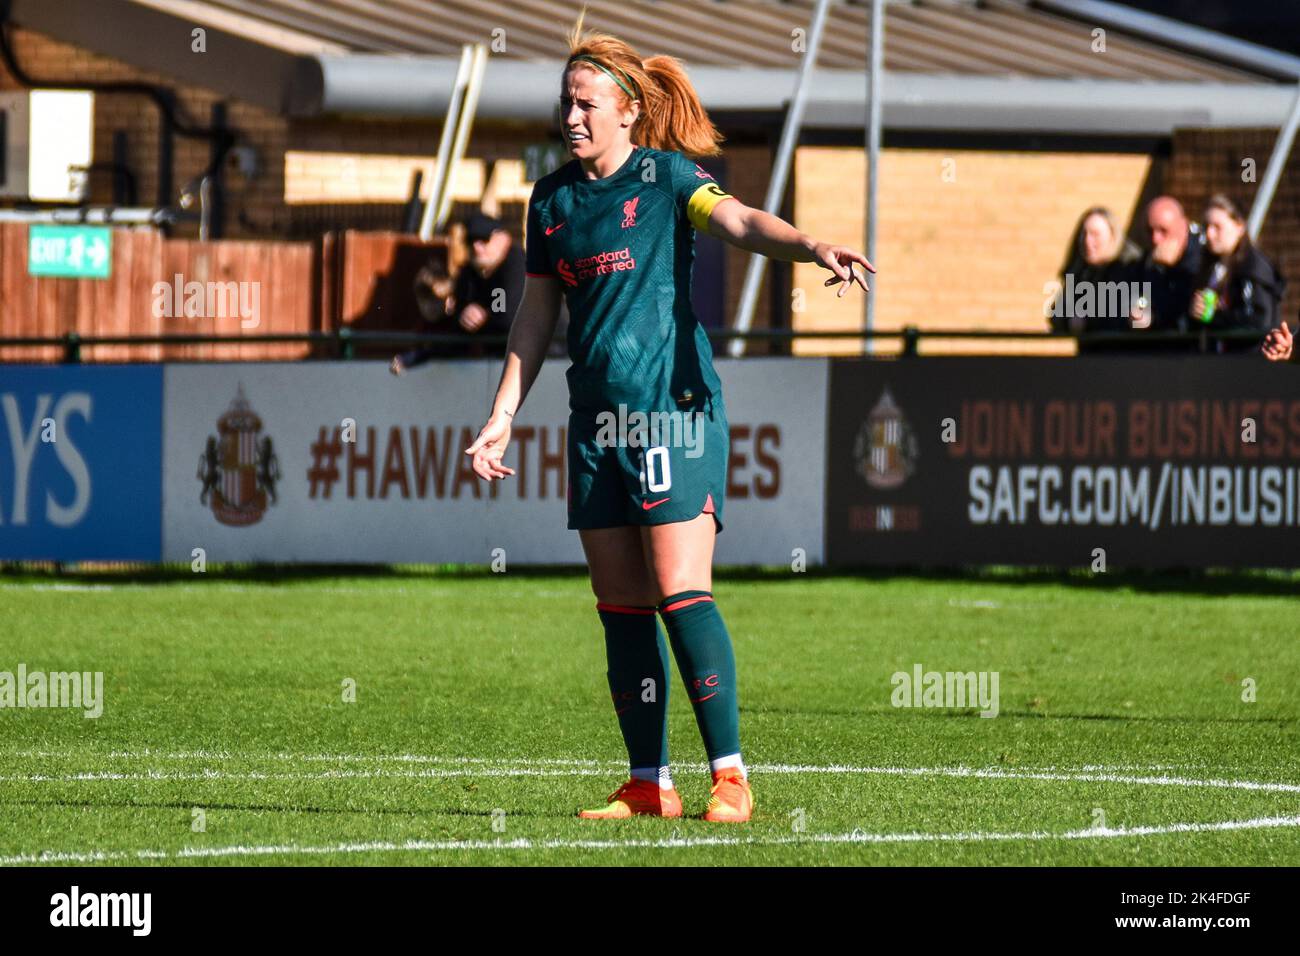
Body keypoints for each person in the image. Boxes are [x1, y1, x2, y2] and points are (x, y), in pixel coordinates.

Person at [463, 14, 871, 823]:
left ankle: (731, 777)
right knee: (619, 607)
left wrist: (811, 244)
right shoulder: (549, 201)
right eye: (565, 103)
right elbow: (536, 317)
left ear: (626, 110)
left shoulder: (667, 178)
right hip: (596, 423)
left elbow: (743, 222)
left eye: (586, 104)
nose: (571, 117)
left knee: (681, 591)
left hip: (672, 414)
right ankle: (649, 783)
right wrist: (502, 414)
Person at [390, 212, 525, 372]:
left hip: (537, 360)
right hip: (496, 364)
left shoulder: (516, 265)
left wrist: (483, 319)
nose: (476, 247)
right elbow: (458, 327)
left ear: (503, 239)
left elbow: (507, 319)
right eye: (471, 241)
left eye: (484, 240)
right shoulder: (470, 273)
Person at [1189, 194, 1286, 354]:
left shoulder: (1253, 266)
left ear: (1239, 226)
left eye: (1217, 227)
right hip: (1217, 366)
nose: (1210, 234)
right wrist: (1195, 311)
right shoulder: (1211, 267)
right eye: (1206, 226)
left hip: (1249, 367)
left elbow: (1258, 322)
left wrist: (1215, 316)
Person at [1049, 206, 1142, 351]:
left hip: (1126, 359)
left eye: (1095, 234)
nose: (1087, 241)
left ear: (1113, 237)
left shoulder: (1133, 269)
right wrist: (1070, 321)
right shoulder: (1081, 272)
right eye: (1084, 234)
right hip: (1090, 359)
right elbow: (1057, 315)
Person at [1131, 196, 1205, 345]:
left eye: (1163, 230)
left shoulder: (1203, 260)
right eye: (1150, 230)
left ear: (1183, 226)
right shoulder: (1145, 262)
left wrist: (1162, 271)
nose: (1155, 239)